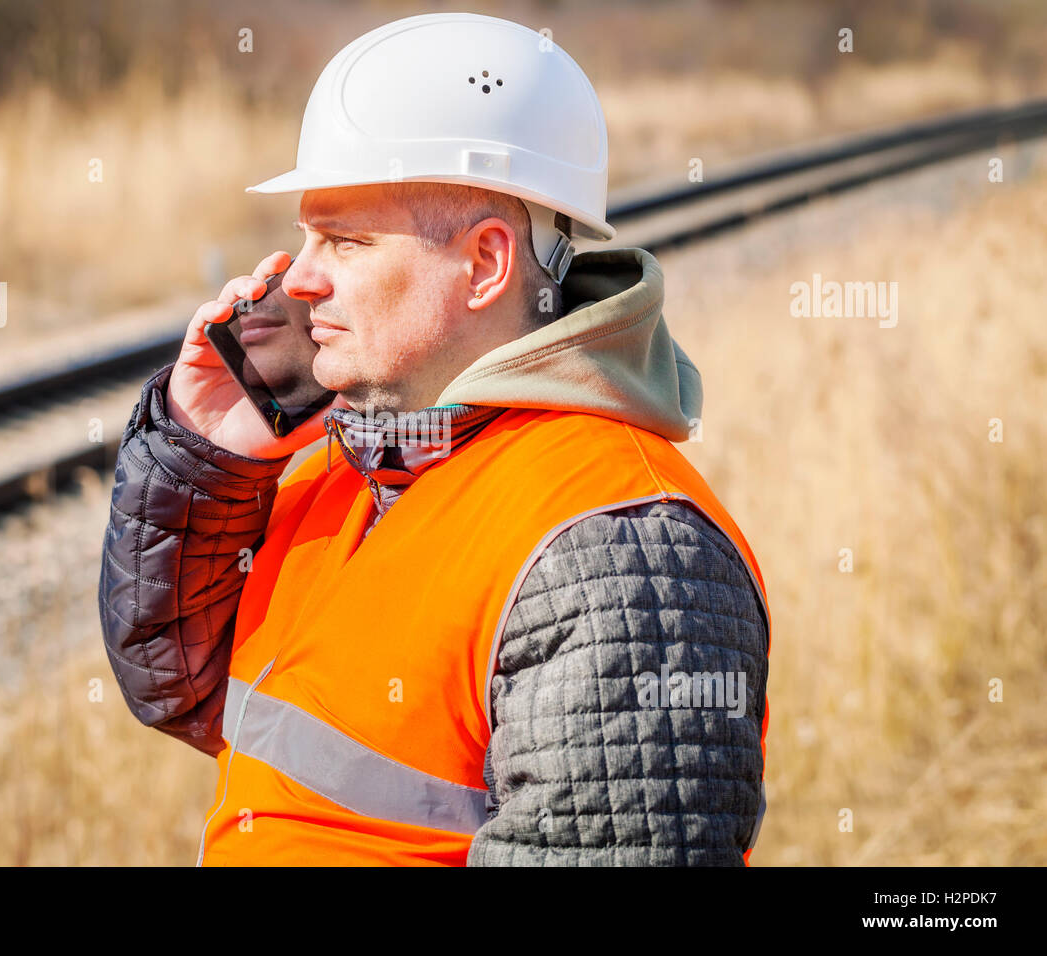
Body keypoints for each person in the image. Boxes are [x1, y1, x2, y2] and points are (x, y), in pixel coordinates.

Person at [99, 11, 770, 866]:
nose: (295, 278)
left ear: (486, 265)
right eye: (305, 234)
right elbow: (182, 689)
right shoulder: (362, 455)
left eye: (345, 240)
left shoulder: (624, 558)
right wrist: (207, 462)